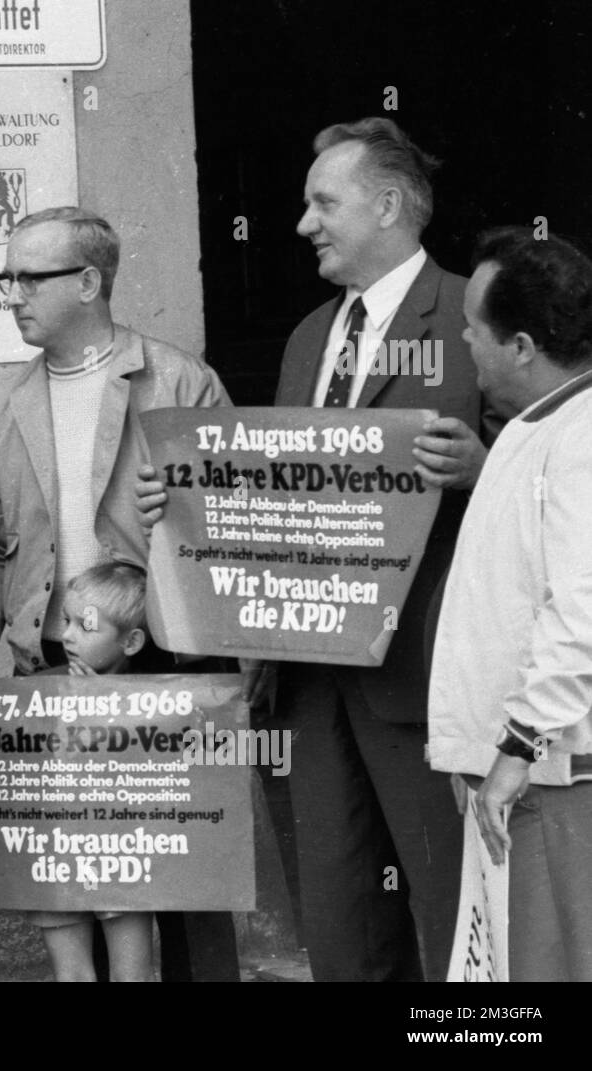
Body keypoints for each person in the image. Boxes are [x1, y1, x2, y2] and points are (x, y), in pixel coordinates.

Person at [0, 205, 242, 982]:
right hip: (52, 670)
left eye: (29, 277)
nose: (12, 293)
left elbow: (235, 528)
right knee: (69, 868)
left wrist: (182, 514)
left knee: (180, 877)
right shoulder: (4, 402)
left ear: (90, 281)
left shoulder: (179, 379)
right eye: (7, 277)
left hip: (162, 661)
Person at [234, 118, 493, 982]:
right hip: (313, 681)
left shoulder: (475, 312)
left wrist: (481, 466)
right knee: (343, 922)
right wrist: (192, 504)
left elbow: (564, 477)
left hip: (427, 675)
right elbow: (282, 493)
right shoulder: (310, 334)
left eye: (322, 202)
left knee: (461, 909)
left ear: (387, 205)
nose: (303, 223)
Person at [428, 227, 592, 982]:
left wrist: (517, 749)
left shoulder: (581, 436)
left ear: (522, 345)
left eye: (473, 326)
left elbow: (582, 612)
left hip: (554, 778)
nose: (462, 337)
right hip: (527, 775)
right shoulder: (546, 427)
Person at [30, 561, 154, 982]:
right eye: (66, 621)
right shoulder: (35, 696)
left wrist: (103, 709)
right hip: (56, 854)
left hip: (124, 859)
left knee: (131, 976)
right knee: (72, 974)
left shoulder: (157, 705)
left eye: (85, 626)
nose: (66, 635)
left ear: (131, 641)